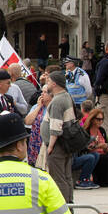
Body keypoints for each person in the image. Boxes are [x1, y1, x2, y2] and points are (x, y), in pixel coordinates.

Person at [42, 68, 76, 202]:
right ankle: (69, 204)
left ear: (55, 83)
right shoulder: (66, 96)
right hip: (65, 143)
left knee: (59, 178)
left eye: (49, 81)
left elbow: (56, 126)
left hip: (57, 145)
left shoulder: (57, 101)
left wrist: (50, 146)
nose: (47, 82)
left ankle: (64, 206)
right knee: (67, 177)